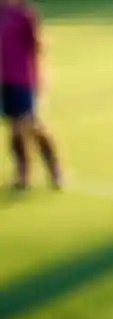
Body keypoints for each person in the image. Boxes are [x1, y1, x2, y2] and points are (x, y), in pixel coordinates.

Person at [0, 0, 62, 191]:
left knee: (32, 125)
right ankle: (23, 174)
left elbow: (38, 46)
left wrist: (41, 77)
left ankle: (54, 169)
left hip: (24, 80)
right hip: (4, 81)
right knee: (15, 129)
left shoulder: (24, 15)